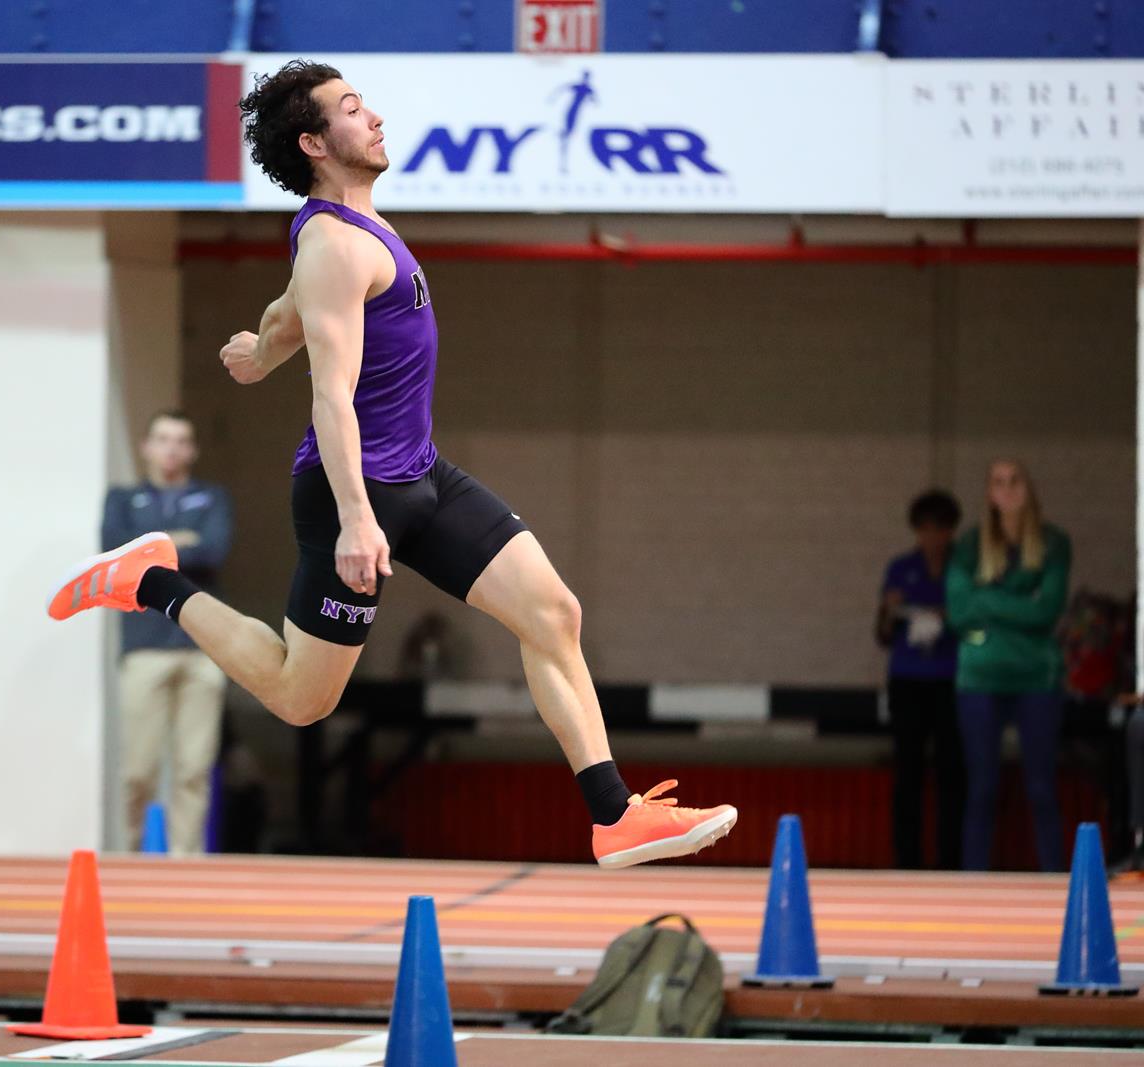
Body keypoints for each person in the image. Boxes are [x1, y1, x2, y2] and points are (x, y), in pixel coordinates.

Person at [49, 60, 735, 869]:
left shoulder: (348, 229)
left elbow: (288, 311)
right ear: (314, 143)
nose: (373, 117)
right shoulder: (335, 246)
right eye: (350, 109)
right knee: (301, 698)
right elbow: (331, 395)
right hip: (357, 492)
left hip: (422, 475)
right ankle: (153, 580)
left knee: (554, 613)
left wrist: (261, 350)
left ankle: (612, 814)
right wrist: (354, 519)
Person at [102, 411, 232, 854]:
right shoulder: (122, 499)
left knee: (194, 768)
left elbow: (213, 550)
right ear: (147, 447)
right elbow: (117, 556)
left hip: (203, 647)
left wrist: (150, 546)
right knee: (137, 771)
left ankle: (184, 866)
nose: (171, 449)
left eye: (180, 440)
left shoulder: (212, 497)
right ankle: (128, 857)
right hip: (144, 648)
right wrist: (182, 541)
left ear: (192, 450)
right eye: (162, 439)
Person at [946, 460, 1070, 872]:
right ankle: (973, 883)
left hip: (1037, 677)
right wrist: (1021, 607)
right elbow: (959, 611)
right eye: (999, 482)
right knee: (981, 788)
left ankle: (1055, 881)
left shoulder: (1054, 543)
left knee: (1041, 788)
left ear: (1029, 488)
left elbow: (1047, 610)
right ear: (989, 493)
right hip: (980, 678)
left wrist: (986, 601)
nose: (1008, 489)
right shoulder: (969, 545)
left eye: (1016, 481)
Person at [876, 490, 965, 869]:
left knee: (952, 772)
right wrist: (890, 609)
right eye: (925, 529)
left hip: (952, 681)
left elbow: (974, 622)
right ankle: (906, 860)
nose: (933, 537)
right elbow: (882, 633)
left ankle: (951, 861)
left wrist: (947, 615)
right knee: (908, 772)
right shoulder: (901, 568)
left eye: (940, 529)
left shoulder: (963, 568)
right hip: (908, 680)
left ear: (951, 531)